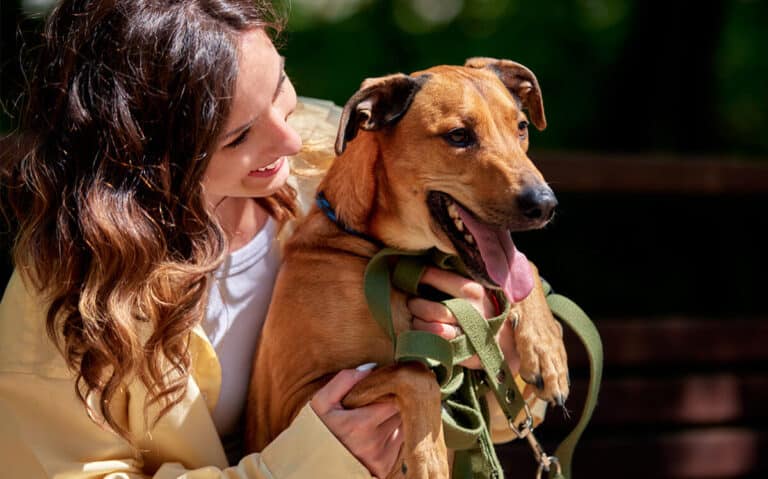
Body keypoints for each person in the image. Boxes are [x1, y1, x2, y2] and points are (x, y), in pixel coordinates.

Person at [0, 0, 518, 477]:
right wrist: (290, 470)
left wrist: (492, 361)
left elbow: (506, 417)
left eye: (279, 88)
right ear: (145, 151)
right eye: (239, 136)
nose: (289, 140)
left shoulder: (339, 160)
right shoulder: (66, 289)